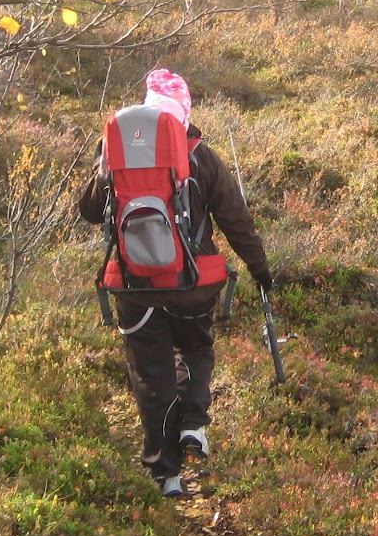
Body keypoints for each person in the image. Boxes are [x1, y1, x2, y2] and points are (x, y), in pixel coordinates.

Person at [78, 69, 273, 498]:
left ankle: (166, 474)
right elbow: (236, 221)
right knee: (197, 349)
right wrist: (260, 270)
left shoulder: (114, 151)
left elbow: (90, 212)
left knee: (152, 376)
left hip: (133, 286)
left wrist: (106, 173)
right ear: (184, 109)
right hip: (193, 285)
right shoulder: (201, 154)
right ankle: (193, 425)